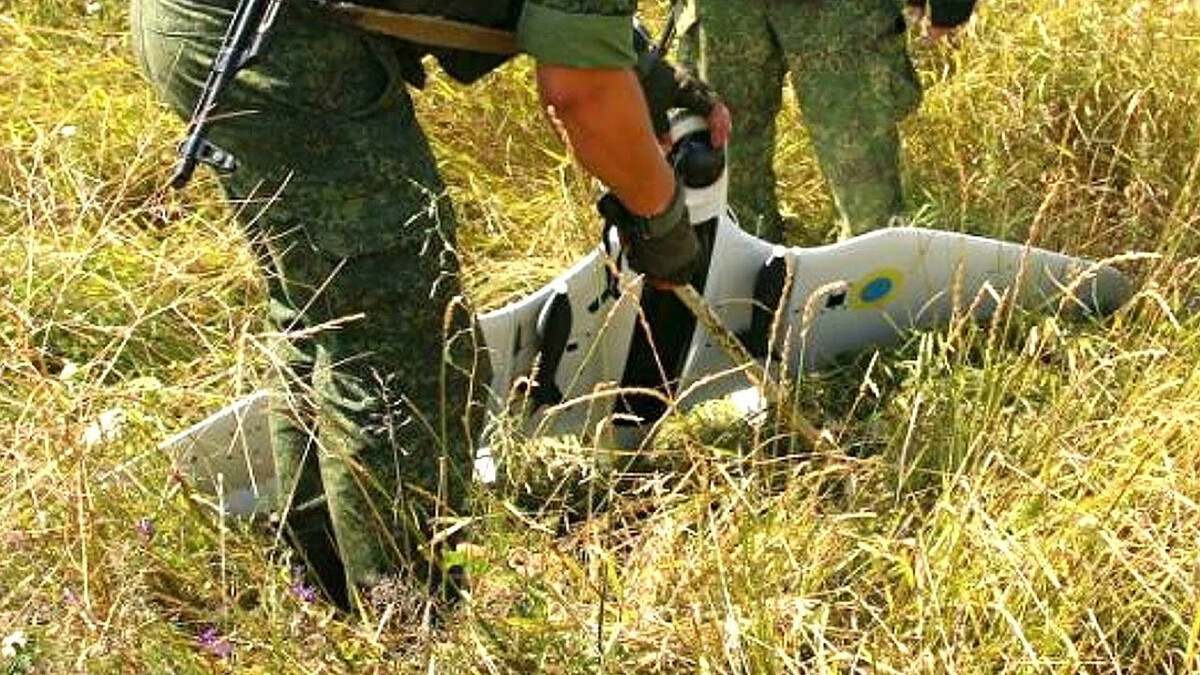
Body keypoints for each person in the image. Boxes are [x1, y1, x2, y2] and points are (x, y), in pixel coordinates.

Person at [130, 0, 729, 613]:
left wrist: (648, 77)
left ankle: (322, 594)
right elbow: (582, 93)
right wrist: (662, 224)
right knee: (411, 357)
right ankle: (407, 624)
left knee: (325, 318)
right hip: (272, 53)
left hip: (206, 31)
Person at [681, 0, 977, 242]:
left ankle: (868, 299)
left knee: (866, 199)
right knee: (728, 172)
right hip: (724, 13)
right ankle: (748, 294)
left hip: (841, 15)